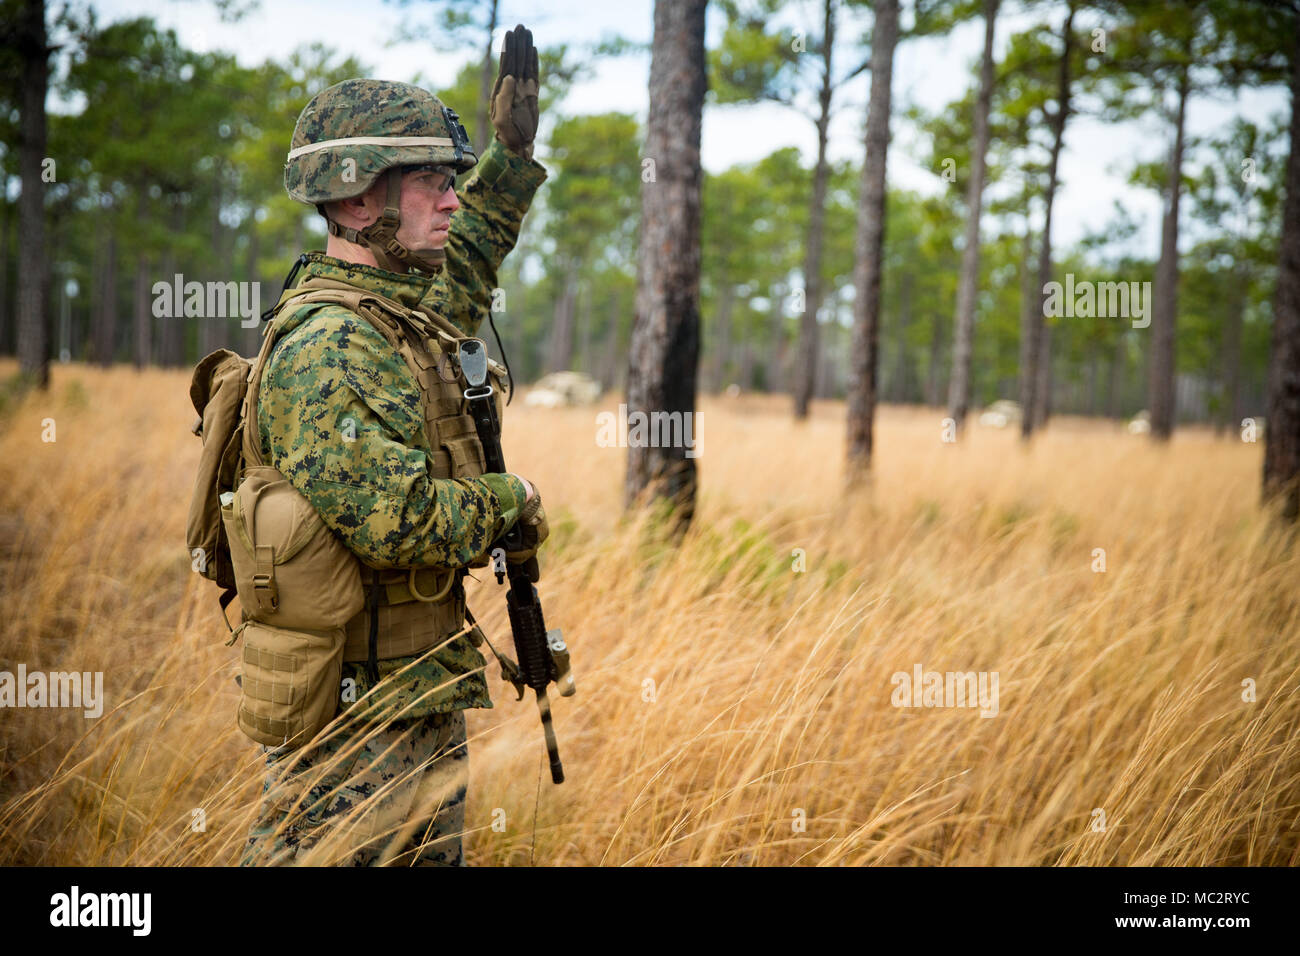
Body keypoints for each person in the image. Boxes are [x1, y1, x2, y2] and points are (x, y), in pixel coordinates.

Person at [239, 26, 548, 867]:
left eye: (452, 181)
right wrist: (511, 498)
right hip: (351, 728)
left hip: (412, 701)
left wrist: (510, 161)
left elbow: (472, 257)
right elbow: (399, 520)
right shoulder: (331, 344)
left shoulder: (395, 314)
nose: (449, 200)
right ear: (353, 202)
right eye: (427, 182)